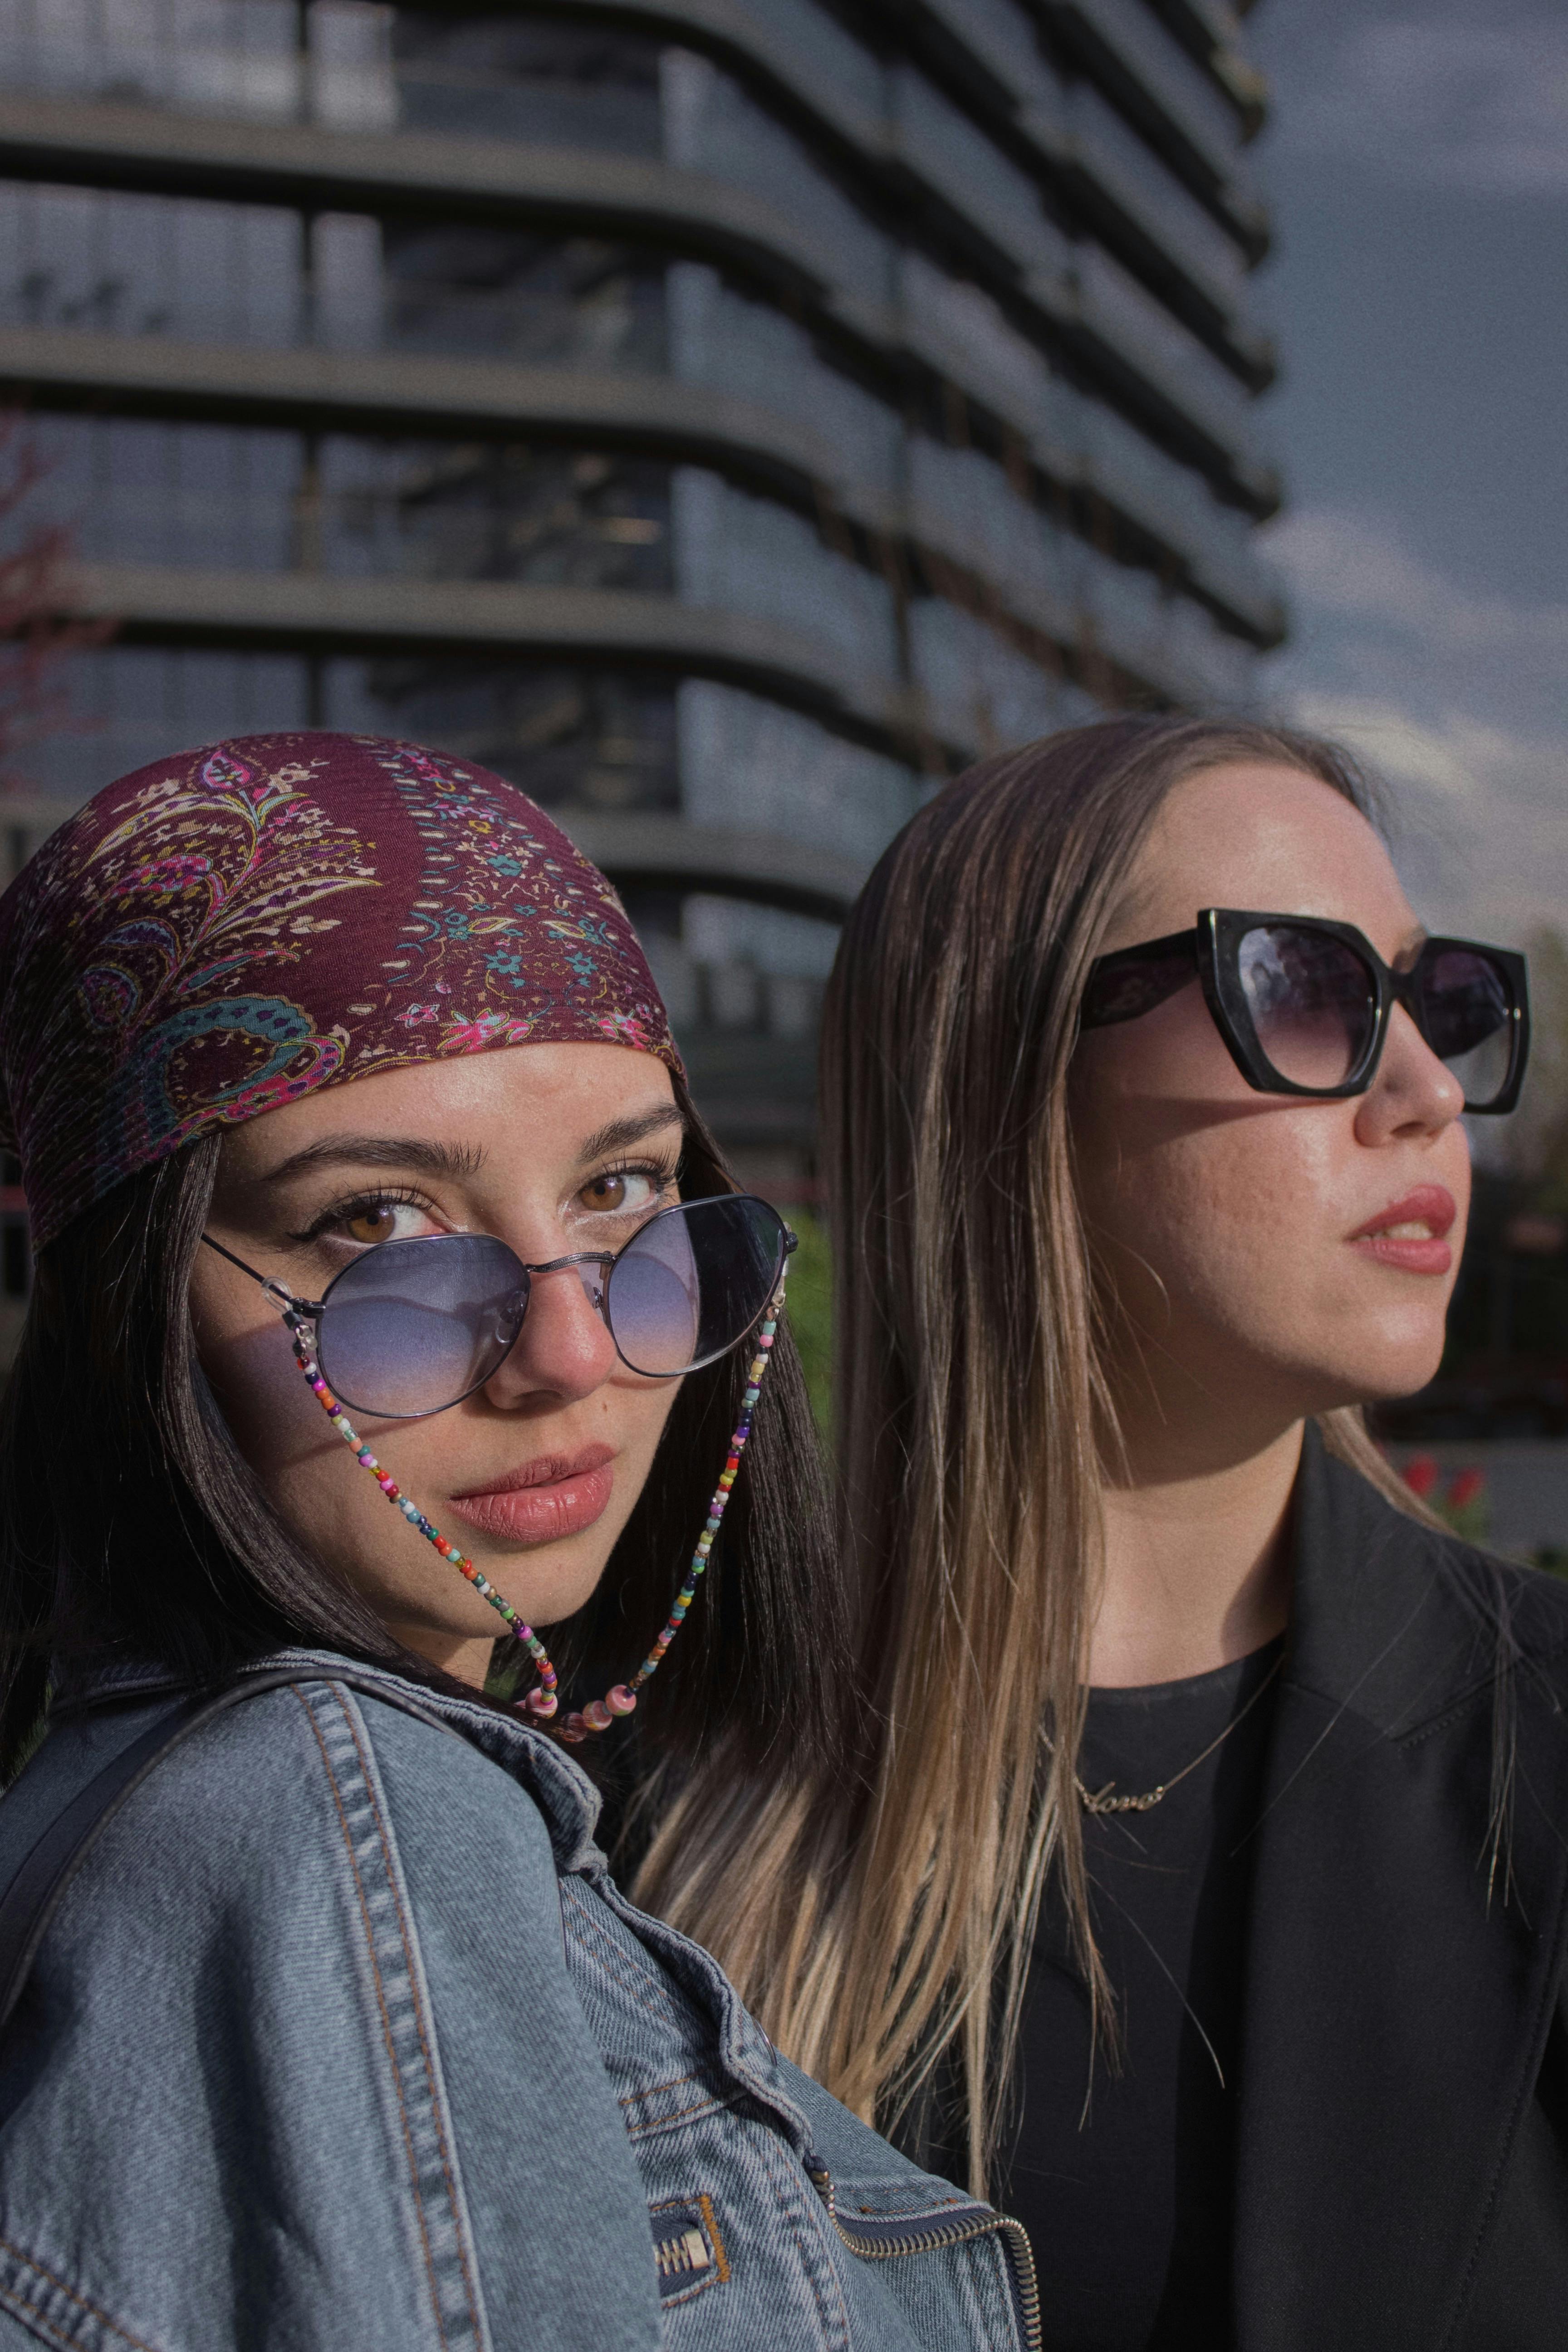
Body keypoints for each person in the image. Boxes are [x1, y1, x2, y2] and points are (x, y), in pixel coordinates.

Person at [0, 732, 1038, 2352]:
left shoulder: (158, 1801)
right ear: (129, 1303)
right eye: (377, 1222)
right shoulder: (341, 1832)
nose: (568, 1351)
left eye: (623, 1185)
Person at [642, 715, 1568, 2351]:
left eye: (1440, 1002)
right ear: (1006, 1090)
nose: (1430, 1093)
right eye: (1305, 987)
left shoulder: (1542, 1742)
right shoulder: (672, 1815)